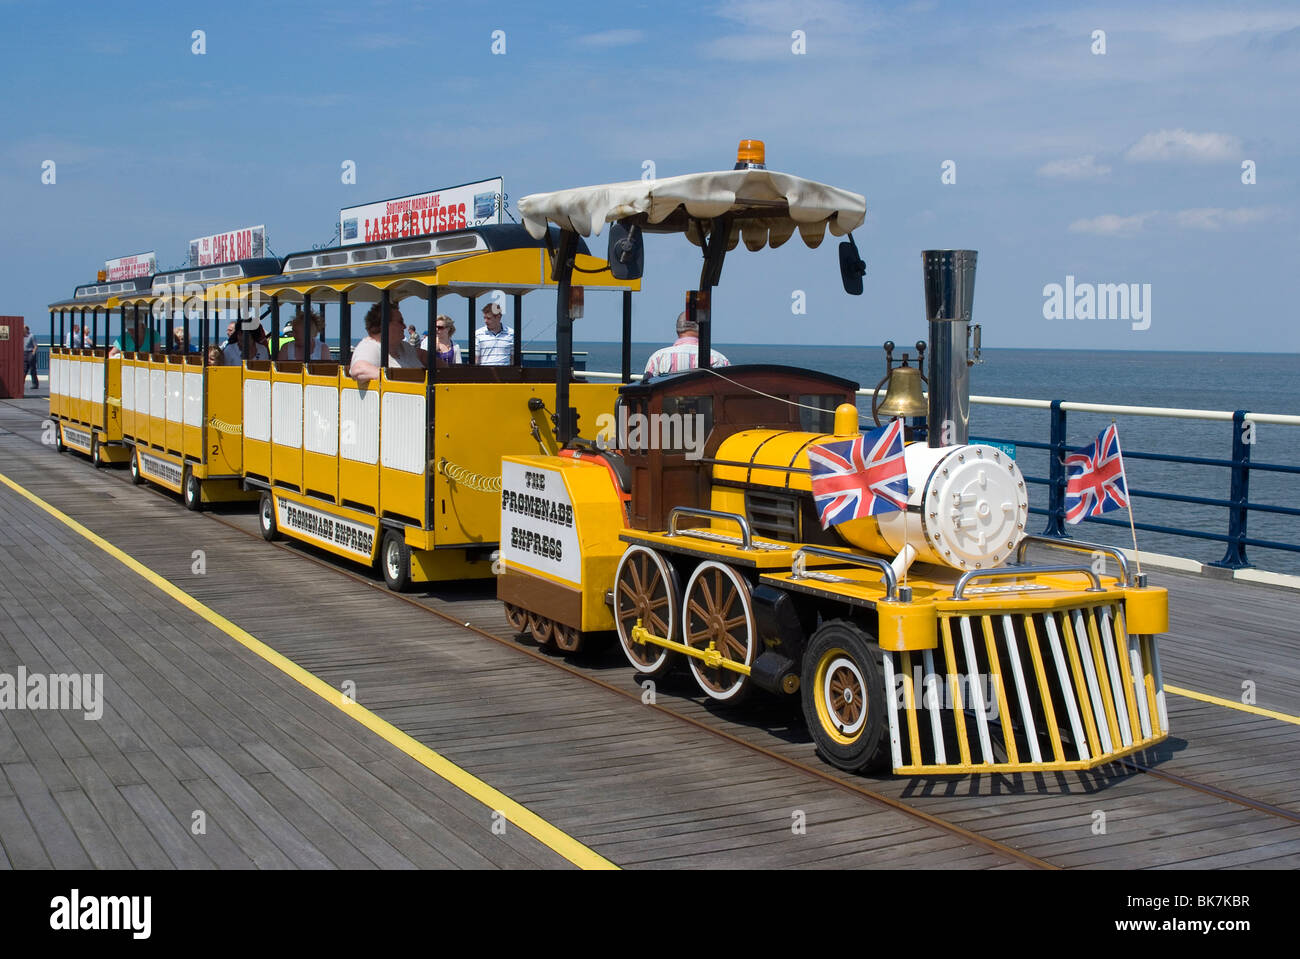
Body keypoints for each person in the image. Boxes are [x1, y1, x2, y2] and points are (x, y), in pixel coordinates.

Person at [349, 302, 426, 384]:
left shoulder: (403, 347)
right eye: (400, 322)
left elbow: (422, 355)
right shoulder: (369, 347)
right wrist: (394, 381)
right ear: (384, 324)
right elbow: (358, 370)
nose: (404, 326)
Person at [643, 311, 731, 377]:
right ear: (702, 328)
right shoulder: (718, 359)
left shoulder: (658, 358)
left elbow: (647, 388)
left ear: (677, 329)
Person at [474, 298, 513, 366]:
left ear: (498, 317)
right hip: (486, 373)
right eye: (484, 318)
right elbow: (476, 358)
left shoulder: (511, 333)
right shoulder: (478, 334)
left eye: (488, 318)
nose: (485, 321)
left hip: (505, 374)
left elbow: (513, 358)